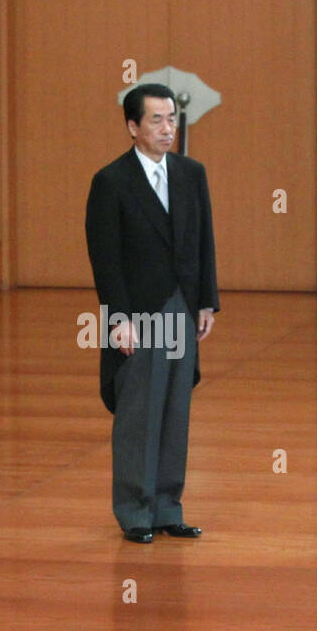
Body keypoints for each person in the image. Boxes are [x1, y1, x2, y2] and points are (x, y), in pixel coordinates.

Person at [85, 83, 219, 544]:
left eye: (172, 119)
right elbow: (105, 259)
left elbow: (204, 241)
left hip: (182, 305)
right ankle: (135, 511)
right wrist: (117, 319)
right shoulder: (111, 182)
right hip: (139, 315)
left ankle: (167, 506)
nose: (168, 129)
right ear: (132, 126)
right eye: (157, 120)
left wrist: (206, 300)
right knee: (139, 412)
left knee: (175, 410)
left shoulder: (190, 173)